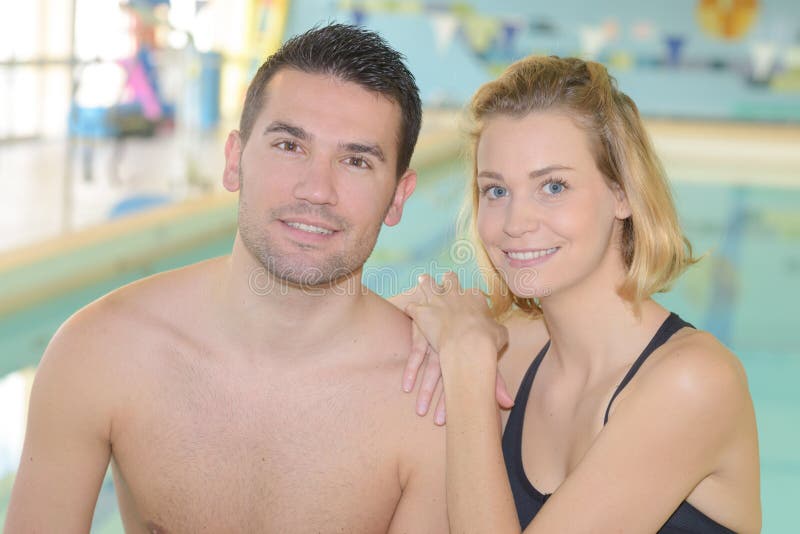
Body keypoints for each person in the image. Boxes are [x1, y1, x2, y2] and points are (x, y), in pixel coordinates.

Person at [5, 24, 450, 533]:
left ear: (398, 195)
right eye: (289, 146)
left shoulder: (430, 403)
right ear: (235, 159)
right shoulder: (101, 351)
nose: (316, 190)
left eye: (355, 160)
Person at [401, 55, 761, 533]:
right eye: (495, 191)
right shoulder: (511, 347)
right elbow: (338, 329)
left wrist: (466, 365)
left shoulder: (693, 382)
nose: (515, 223)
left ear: (623, 194)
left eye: (553, 186)